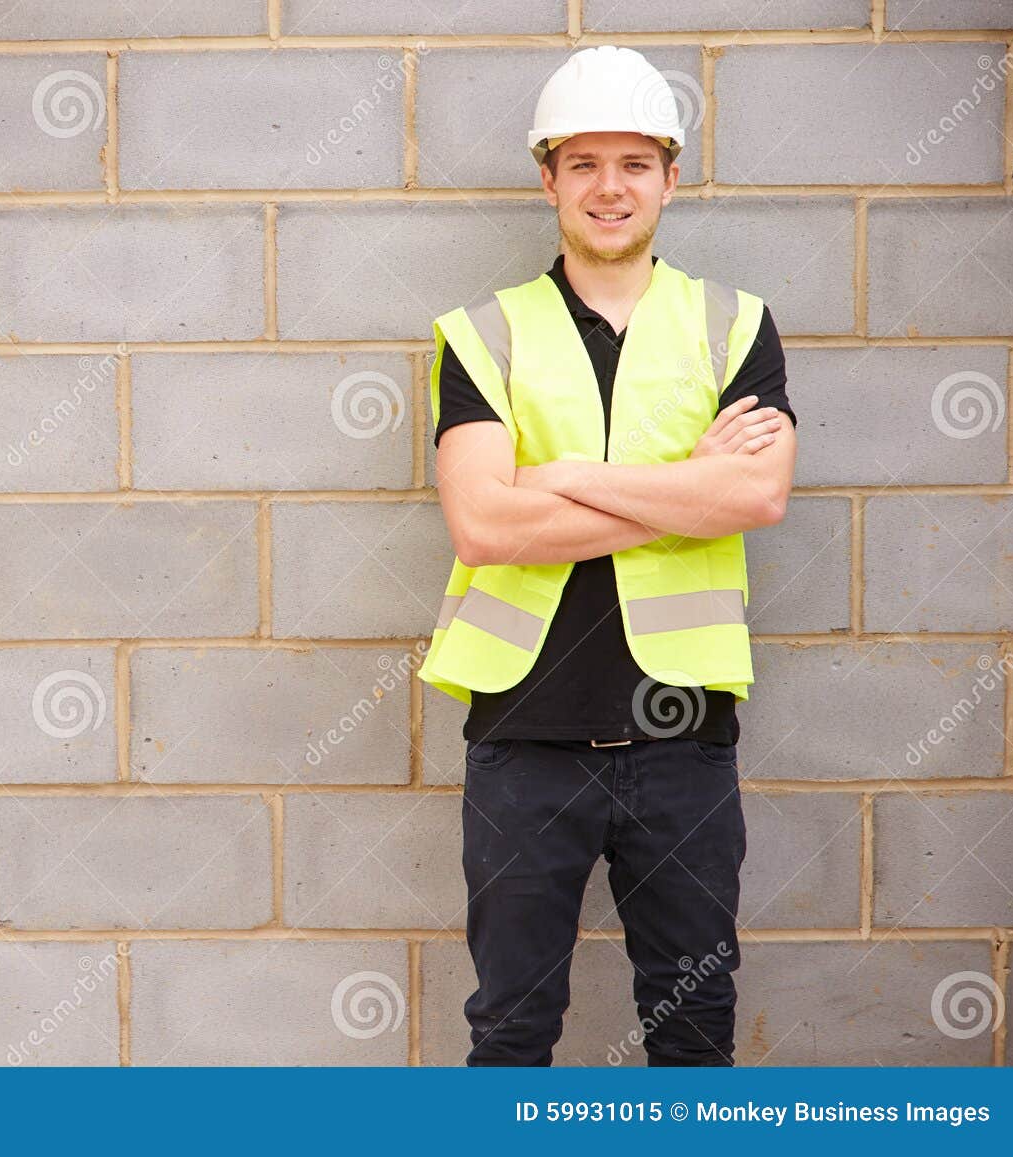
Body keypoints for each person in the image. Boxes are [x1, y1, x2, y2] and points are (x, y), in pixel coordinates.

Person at [417, 45, 798, 1066]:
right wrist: (685, 496)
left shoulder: (733, 326)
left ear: (670, 178)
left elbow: (755, 492)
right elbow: (484, 527)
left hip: (682, 742)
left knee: (691, 1031)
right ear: (547, 179)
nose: (608, 187)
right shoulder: (482, 334)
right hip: (523, 739)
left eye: (633, 162)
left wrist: (559, 474)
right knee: (509, 1029)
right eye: (582, 163)